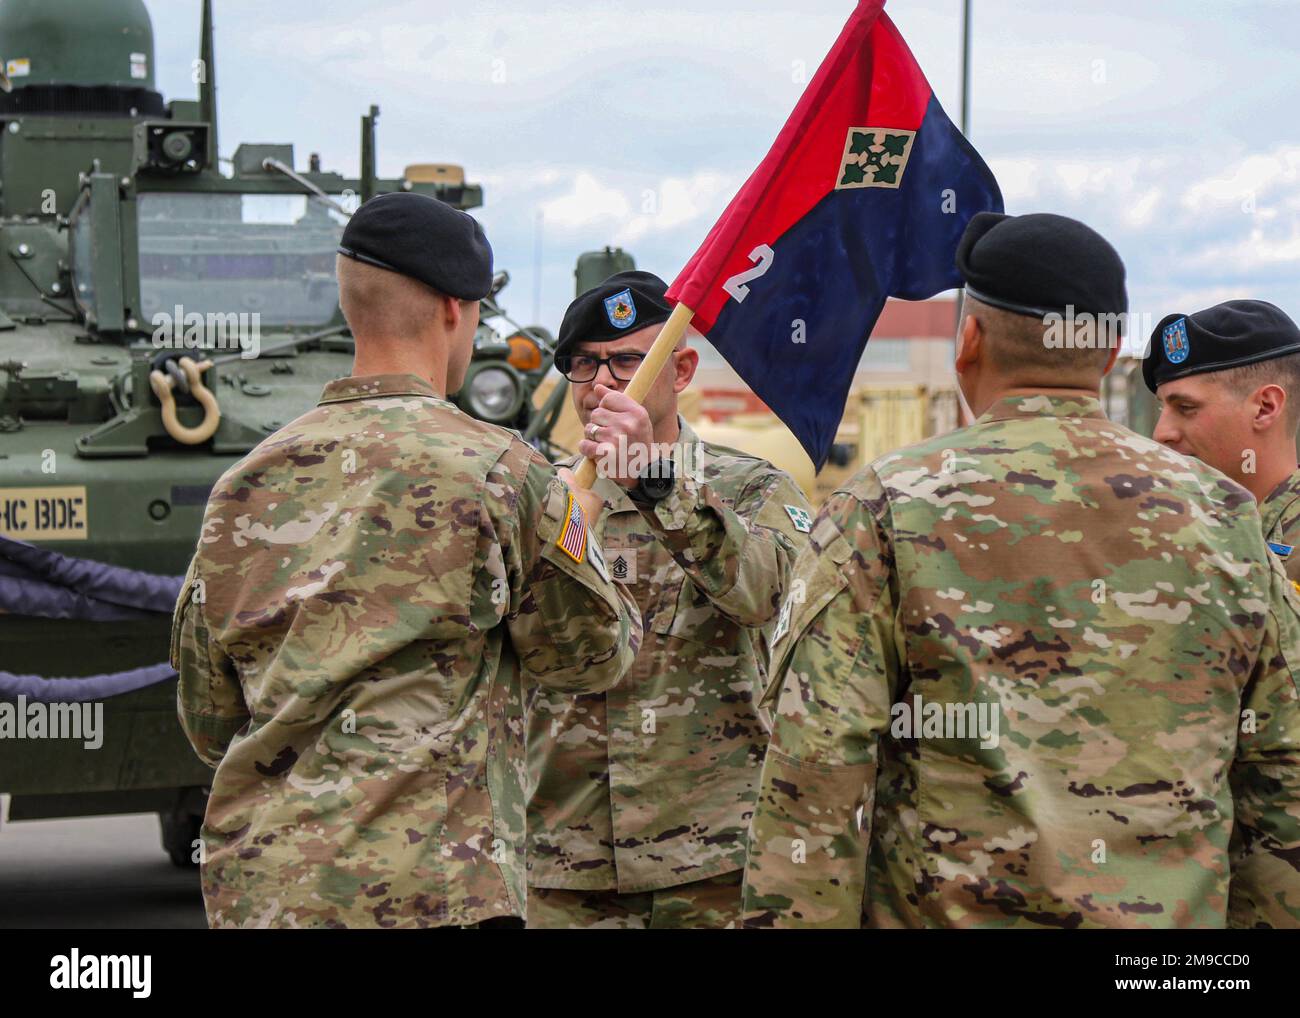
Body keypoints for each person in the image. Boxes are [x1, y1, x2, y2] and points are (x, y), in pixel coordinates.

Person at [742, 212, 1300, 928]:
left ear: (968, 340)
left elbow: (817, 765)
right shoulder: (1226, 515)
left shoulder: (885, 507)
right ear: (1107, 359)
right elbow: (1280, 770)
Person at [170, 192, 640, 928]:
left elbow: (208, 720)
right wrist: (578, 535)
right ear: (456, 310)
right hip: (434, 895)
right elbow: (594, 656)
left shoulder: (241, 485)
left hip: (265, 894)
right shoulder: (502, 472)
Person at [524, 270, 814, 928]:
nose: (601, 383)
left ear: (679, 368)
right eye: (583, 364)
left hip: (711, 859)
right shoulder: (531, 493)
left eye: (627, 360)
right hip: (560, 860)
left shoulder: (748, 488)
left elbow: (773, 597)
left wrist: (658, 485)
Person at [1146, 300, 1300, 582]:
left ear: (1265, 407)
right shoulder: (1174, 525)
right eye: (1161, 408)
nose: (1161, 433)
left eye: (1186, 408)